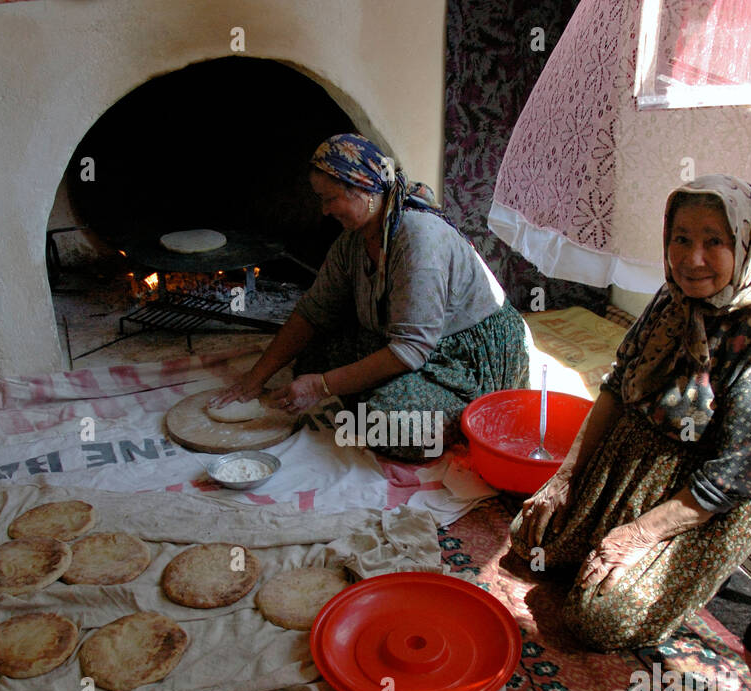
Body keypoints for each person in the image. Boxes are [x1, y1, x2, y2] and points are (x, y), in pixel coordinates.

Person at [510, 174, 751, 650]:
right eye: (681, 239)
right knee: (530, 540)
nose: (692, 259)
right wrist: (564, 477)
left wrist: (638, 535)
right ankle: (602, 539)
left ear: (745, 243)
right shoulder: (673, 296)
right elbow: (616, 384)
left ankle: (668, 562)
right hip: (637, 453)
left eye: (714, 242)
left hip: (707, 488)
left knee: (598, 617)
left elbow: (736, 471)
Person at [211, 133, 529, 460]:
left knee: (388, 423)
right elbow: (312, 312)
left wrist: (321, 386)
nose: (324, 210)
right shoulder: (353, 241)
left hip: (467, 355)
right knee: (311, 359)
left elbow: (412, 348)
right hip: (412, 344)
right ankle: (385, 391)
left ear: (363, 189)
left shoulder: (417, 238)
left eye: (330, 198)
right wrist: (254, 379)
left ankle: (466, 411)